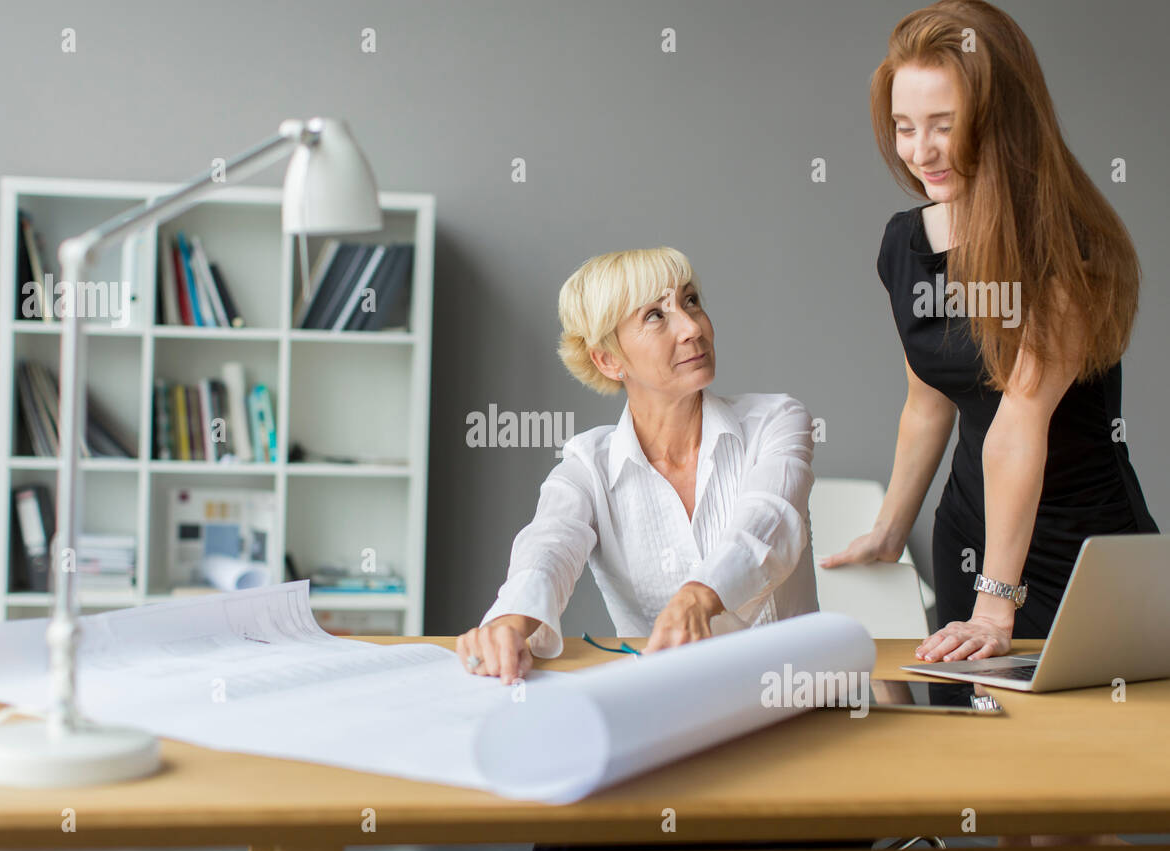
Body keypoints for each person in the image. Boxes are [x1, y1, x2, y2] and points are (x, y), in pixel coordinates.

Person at [821, 0, 1159, 670]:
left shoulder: (1066, 248)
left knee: (1089, 761)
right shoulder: (907, 243)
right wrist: (890, 530)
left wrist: (995, 603)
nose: (920, 152)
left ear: (998, 119)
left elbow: (1019, 421)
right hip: (972, 541)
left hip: (1082, 555)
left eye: (943, 126)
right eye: (905, 127)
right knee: (967, 753)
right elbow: (928, 402)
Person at [456, 247, 819, 683]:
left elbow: (770, 519)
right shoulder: (588, 468)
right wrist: (510, 622)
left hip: (793, 698)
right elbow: (549, 545)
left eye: (690, 301)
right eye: (654, 316)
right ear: (609, 360)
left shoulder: (777, 421)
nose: (691, 328)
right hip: (664, 708)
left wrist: (701, 595)